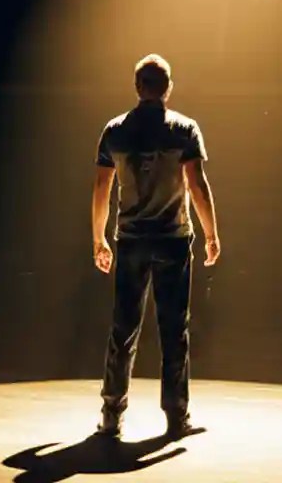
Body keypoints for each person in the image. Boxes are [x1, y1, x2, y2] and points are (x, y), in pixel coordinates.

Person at [91, 53, 222, 439]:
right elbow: (197, 185)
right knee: (173, 329)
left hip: (130, 240)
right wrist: (212, 233)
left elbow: (102, 187)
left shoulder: (114, 130)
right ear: (168, 88)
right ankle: (176, 417)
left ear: (137, 87)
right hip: (173, 239)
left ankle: (112, 415)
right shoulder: (184, 129)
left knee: (123, 329)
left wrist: (97, 238)